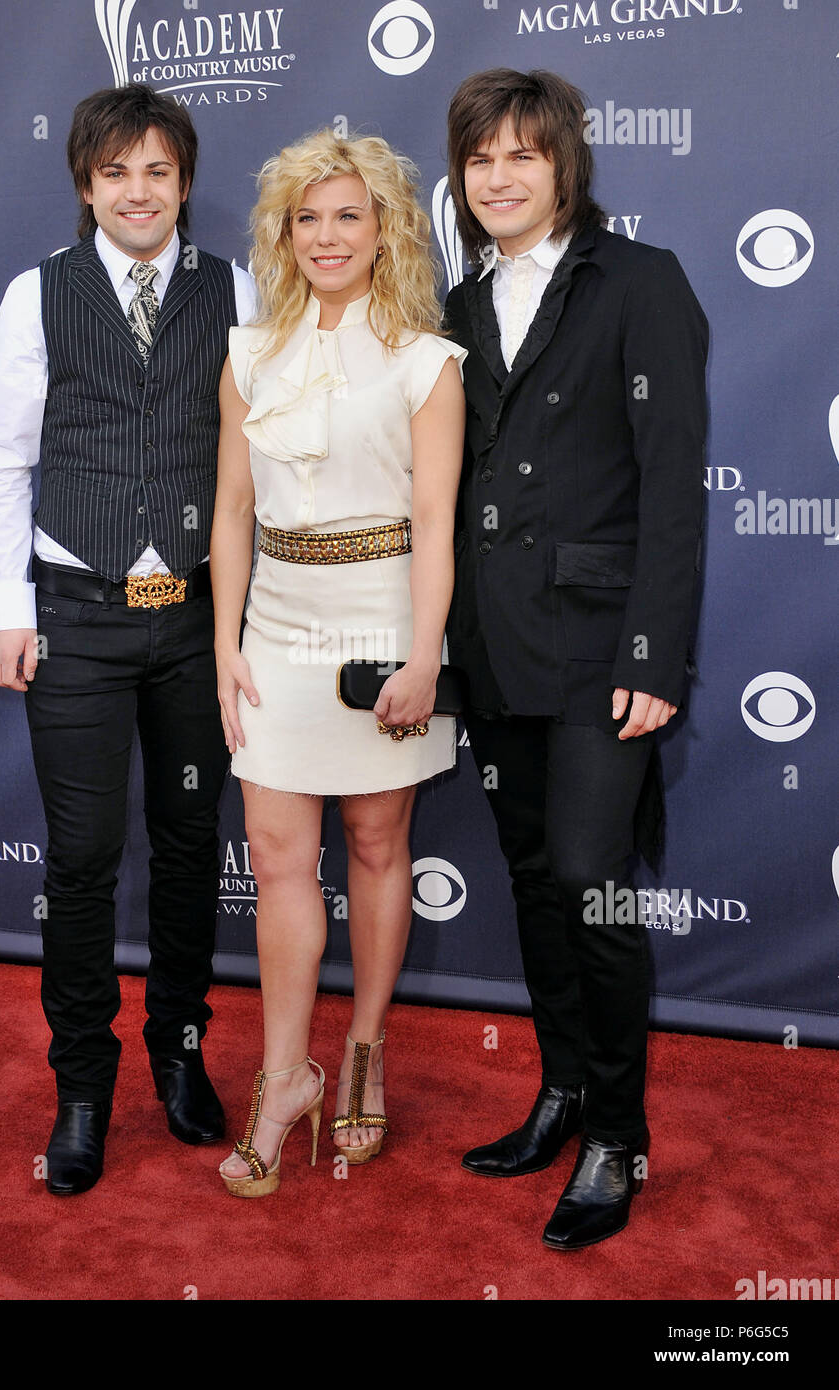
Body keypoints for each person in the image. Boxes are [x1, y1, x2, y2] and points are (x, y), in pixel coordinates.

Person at [0, 83, 256, 1195]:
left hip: (193, 624)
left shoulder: (237, 290)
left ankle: (179, 1054)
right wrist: (11, 605)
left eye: (156, 171)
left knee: (192, 850)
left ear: (185, 181)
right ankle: (81, 1089)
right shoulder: (35, 295)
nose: (136, 192)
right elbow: (2, 459)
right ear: (86, 183)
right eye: (114, 173)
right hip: (78, 621)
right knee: (83, 862)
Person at [443, 69, 708, 1248]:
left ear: (565, 164)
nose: (498, 177)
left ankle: (618, 1130)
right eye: (478, 158)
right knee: (537, 882)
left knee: (594, 883)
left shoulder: (638, 283)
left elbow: (673, 487)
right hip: (495, 649)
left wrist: (654, 653)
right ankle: (558, 1089)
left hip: (605, 651)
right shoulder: (453, 306)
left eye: (521, 155)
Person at [209, 130, 466, 1196]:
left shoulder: (424, 358)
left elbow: (438, 523)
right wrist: (222, 644)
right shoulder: (247, 349)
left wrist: (420, 656)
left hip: (381, 620)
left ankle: (362, 1048)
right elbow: (230, 509)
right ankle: (282, 1077)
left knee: (373, 842)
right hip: (274, 625)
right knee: (275, 856)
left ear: (385, 229)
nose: (325, 236)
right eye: (306, 216)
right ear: (282, 230)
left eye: (347, 215)